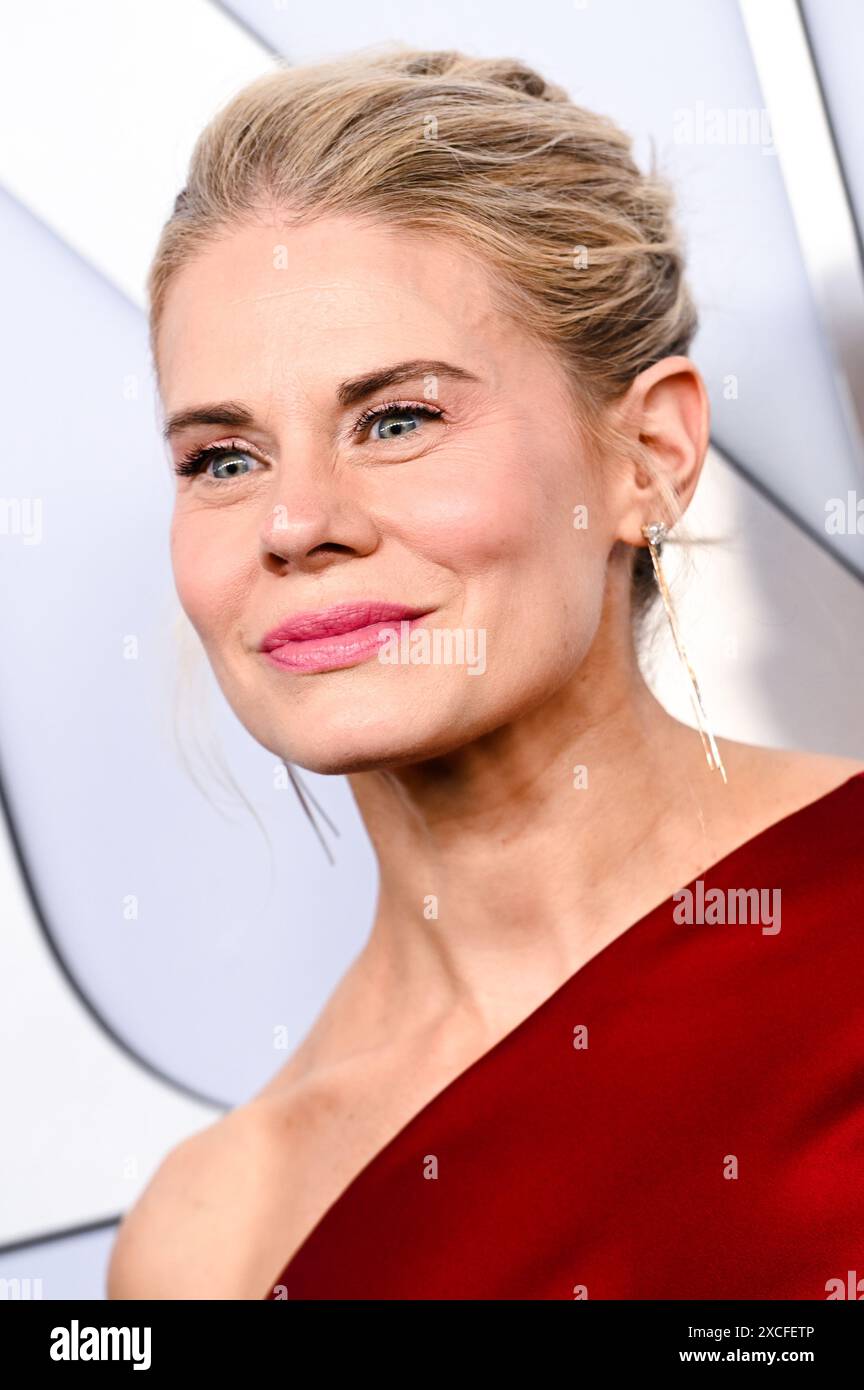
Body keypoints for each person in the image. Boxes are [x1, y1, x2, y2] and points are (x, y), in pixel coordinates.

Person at [107, 44, 864, 1300]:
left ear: (649, 455)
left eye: (396, 419)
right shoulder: (210, 1239)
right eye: (223, 458)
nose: (295, 522)